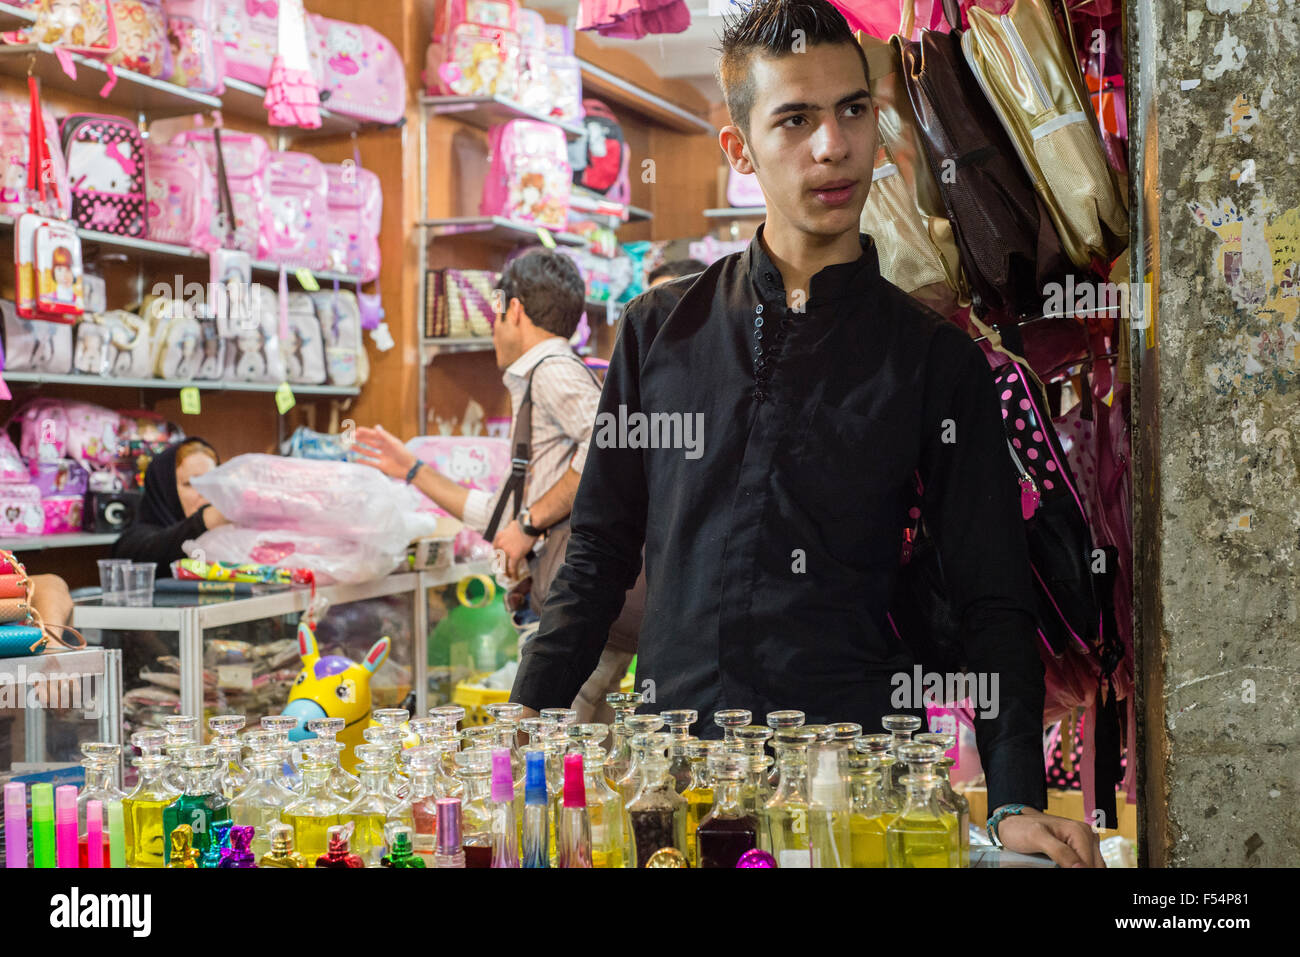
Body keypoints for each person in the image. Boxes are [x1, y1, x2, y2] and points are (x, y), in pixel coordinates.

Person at [508, 0, 1103, 867]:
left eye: (852, 111)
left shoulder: (936, 360)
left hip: (854, 791)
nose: (833, 147)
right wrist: (525, 719)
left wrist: (1013, 794)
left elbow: (992, 597)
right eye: (795, 119)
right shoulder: (658, 332)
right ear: (740, 147)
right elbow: (598, 553)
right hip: (673, 781)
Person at [353, 249, 640, 724]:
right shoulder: (542, 380)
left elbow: (608, 447)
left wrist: (529, 523)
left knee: (546, 753)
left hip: (570, 605)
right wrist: (412, 470)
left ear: (514, 309)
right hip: (557, 601)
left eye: (495, 314)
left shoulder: (552, 371)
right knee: (580, 757)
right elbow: (506, 515)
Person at [113, 438, 228, 577]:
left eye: (211, 483)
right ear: (165, 489)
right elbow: (149, 552)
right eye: (190, 484)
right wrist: (204, 520)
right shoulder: (133, 544)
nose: (205, 493)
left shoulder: (226, 538)